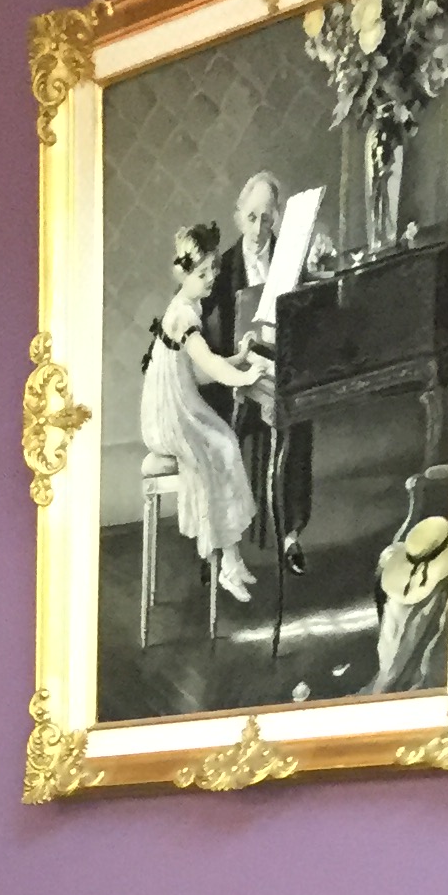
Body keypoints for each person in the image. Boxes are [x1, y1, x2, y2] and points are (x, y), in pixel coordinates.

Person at [140, 223, 270, 603]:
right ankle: (227, 564)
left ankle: (232, 558)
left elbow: (197, 371)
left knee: (226, 445)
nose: (211, 277)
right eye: (202, 273)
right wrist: (244, 376)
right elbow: (209, 366)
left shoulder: (190, 307)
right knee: (221, 449)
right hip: (167, 414)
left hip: (180, 400)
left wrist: (239, 358)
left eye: (213, 269)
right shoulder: (183, 315)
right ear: (183, 275)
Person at [203, 172, 314, 570]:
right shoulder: (224, 266)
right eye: (251, 217)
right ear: (238, 216)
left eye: (266, 218)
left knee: (299, 417)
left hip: (279, 368)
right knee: (222, 432)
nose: (258, 227)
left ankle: (291, 534)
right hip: (237, 375)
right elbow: (193, 315)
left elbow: (308, 307)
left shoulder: (289, 256)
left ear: (276, 218)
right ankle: (223, 541)